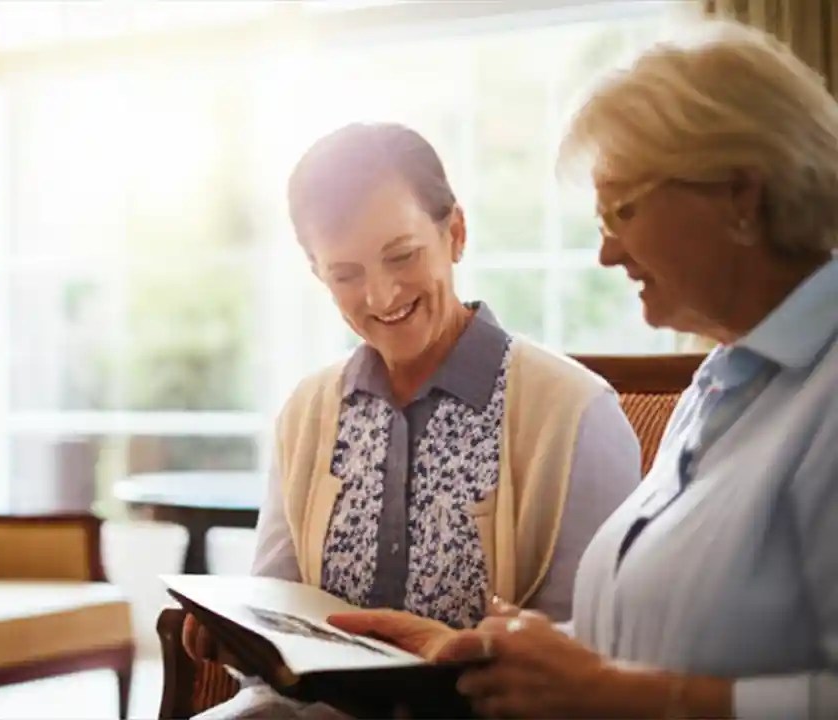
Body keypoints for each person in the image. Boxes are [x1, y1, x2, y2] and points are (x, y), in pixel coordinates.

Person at [330, 22, 838, 720]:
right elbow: (663, 639)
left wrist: (614, 697)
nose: (606, 253)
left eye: (622, 210)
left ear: (740, 195)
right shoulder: (726, 381)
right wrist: (476, 649)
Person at [184, 122, 642, 718]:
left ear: (455, 232)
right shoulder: (307, 413)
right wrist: (236, 638)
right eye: (345, 274)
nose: (380, 297)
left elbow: (588, 663)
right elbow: (276, 628)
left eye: (401, 256)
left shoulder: (576, 413)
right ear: (317, 272)